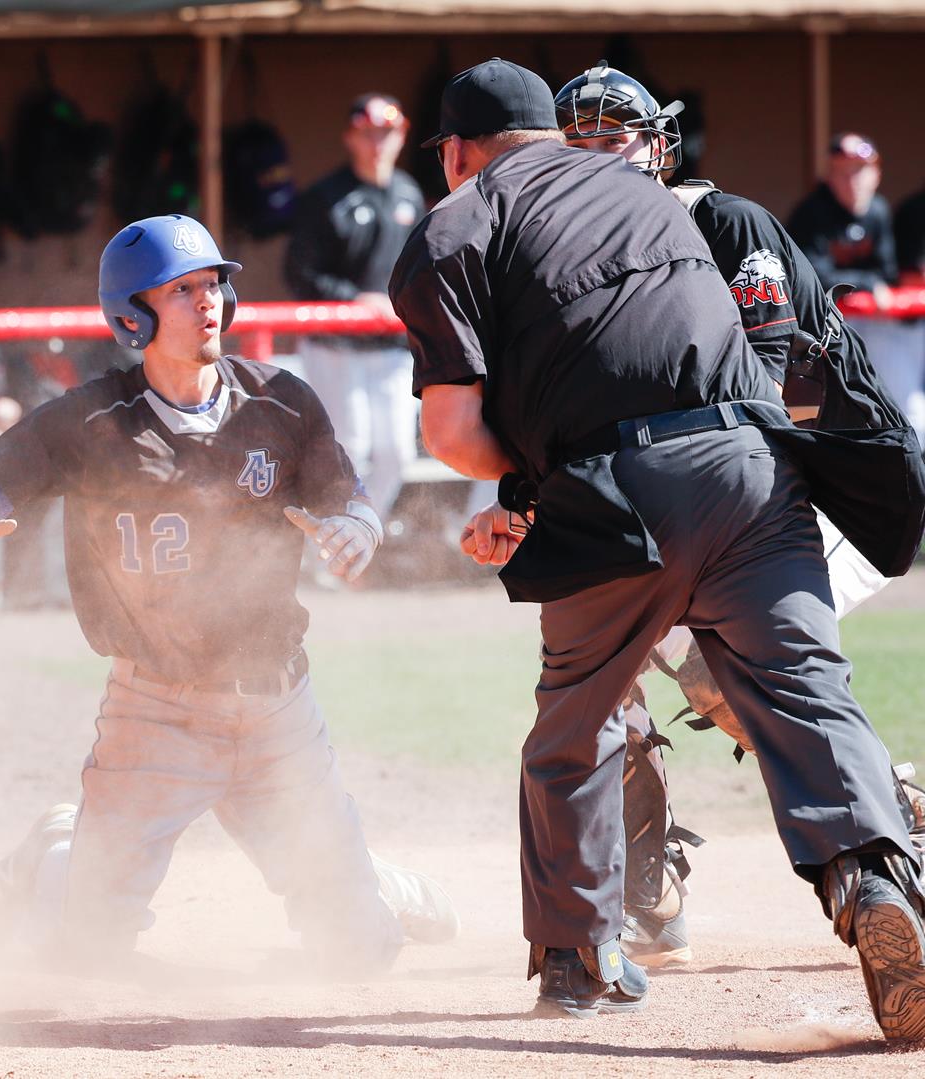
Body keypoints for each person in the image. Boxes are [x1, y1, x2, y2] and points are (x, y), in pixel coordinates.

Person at [391, 58, 925, 1036]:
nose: (606, 146)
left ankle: (578, 946)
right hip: (752, 474)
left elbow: (468, 424)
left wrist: (535, 482)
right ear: (555, 138)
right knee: (793, 685)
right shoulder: (659, 210)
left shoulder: (483, 217)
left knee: (586, 708)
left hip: (653, 477)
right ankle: (875, 875)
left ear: (458, 152)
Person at [0, 214, 458, 974]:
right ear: (132, 315)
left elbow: (353, 498)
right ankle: (54, 852)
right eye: (183, 290)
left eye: (213, 284)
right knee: (84, 951)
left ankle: (368, 889)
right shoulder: (95, 420)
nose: (209, 301)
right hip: (157, 714)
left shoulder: (281, 401)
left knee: (360, 947)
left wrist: (358, 532)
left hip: (277, 712)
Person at [554, 61, 918, 968]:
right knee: (616, 672)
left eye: (617, 137)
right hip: (672, 500)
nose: (600, 157)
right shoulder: (562, 253)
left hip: (791, 485)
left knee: (732, 684)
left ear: (660, 146)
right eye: (579, 144)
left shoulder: (724, 222)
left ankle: (892, 828)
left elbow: (770, 385)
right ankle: (652, 875)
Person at [284, 93, 427, 522]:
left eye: (388, 132)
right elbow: (299, 272)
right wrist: (352, 300)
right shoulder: (327, 197)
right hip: (334, 344)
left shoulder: (408, 193)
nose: (378, 143)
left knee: (397, 452)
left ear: (402, 136)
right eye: (368, 133)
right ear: (350, 137)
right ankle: (329, 543)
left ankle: (360, 532)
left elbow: (420, 264)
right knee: (349, 445)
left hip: (390, 346)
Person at [788, 135, 923, 434]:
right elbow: (810, 277)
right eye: (843, 172)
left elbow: (886, 274)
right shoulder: (813, 212)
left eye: (860, 171)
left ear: (876, 175)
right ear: (829, 176)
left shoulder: (877, 211)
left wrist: (872, 288)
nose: (853, 181)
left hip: (865, 320)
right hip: (817, 326)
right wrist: (867, 284)